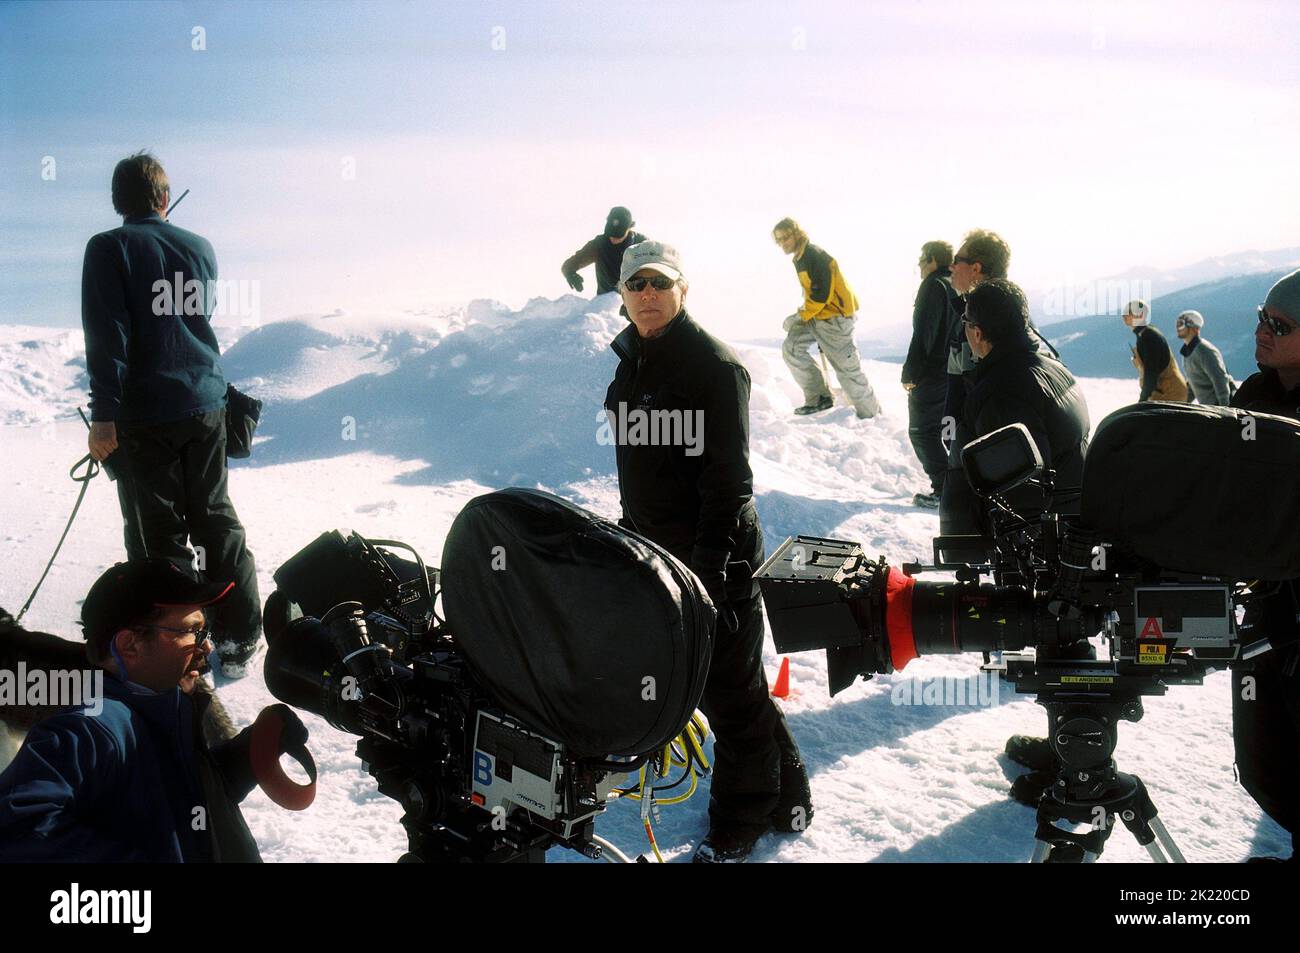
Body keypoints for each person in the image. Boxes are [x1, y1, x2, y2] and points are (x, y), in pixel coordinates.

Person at [604, 240, 811, 862]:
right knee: (728, 687)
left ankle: (736, 827)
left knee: (728, 691)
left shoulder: (713, 368)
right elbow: (638, 467)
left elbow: (729, 482)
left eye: (658, 284)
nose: (647, 295)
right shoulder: (632, 364)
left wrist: (710, 570)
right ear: (622, 296)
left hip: (713, 557)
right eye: (635, 285)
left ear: (682, 290)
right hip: (660, 553)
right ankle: (787, 795)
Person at [82, 152, 262, 678]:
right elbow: (186, 321)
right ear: (164, 198)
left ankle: (176, 647)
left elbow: (108, 333)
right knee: (215, 517)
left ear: (118, 200)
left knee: (156, 535)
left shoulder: (108, 248)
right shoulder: (199, 248)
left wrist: (104, 416)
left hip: (145, 415)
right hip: (206, 405)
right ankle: (239, 636)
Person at [0, 560, 307, 862]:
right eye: (192, 632)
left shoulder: (166, 710)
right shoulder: (90, 728)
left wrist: (247, 755)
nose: (207, 648)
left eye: (205, 630)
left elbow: (177, 804)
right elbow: (15, 829)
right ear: (130, 645)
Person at [1230, 269, 1300, 862]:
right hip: (1267, 609)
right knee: (1264, 762)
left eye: (1280, 325)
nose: (1262, 331)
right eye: (1261, 316)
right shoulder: (1253, 396)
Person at [773, 218, 881, 418]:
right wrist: (802, 315)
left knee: (847, 370)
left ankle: (872, 416)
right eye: (778, 240)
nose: (783, 243)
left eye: (785, 237)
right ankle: (820, 397)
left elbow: (821, 295)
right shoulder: (800, 257)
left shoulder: (815, 255)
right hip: (818, 314)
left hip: (834, 317)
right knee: (792, 348)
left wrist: (799, 315)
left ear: (797, 233)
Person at [902, 241, 961, 508]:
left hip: (932, 371)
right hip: (954, 370)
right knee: (947, 430)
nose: (920, 266)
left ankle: (944, 489)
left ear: (934, 260)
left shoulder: (932, 286)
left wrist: (911, 372)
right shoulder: (955, 284)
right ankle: (956, 486)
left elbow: (924, 334)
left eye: (922, 260)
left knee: (922, 431)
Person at [944, 229, 1012, 440]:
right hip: (970, 450)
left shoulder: (1006, 323)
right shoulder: (964, 317)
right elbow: (954, 394)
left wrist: (956, 442)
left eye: (957, 260)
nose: (951, 267)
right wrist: (950, 438)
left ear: (975, 268)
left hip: (991, 454)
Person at [561, 206, 646, 295]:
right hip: (607, 303)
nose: (613, 239)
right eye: (610, 234)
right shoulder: (599, 244)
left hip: (637, 301)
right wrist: (570, 273)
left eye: (618, 235)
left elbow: (659, 269)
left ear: (630, 227)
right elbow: (569, 265)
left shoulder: (643, 245)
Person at [1123, 300, 1188, 402]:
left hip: (1169, 395)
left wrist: (1142, 400)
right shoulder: (1145, 335)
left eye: (1129, 312)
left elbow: (1151, 373)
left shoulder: (1149, 337)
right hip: (1165, 393)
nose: (1124, 316)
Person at [1175, 310, 1234, 405]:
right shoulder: (1188, 352)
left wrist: (1225, 409)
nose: (1177, 328)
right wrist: (1180, 404)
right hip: (1209, 409)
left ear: (1194, 328)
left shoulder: (1205, 351)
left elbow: (1220, 380)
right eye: (1177, 324)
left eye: (1181, 324)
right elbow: (1194, 382)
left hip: (1219, 408)